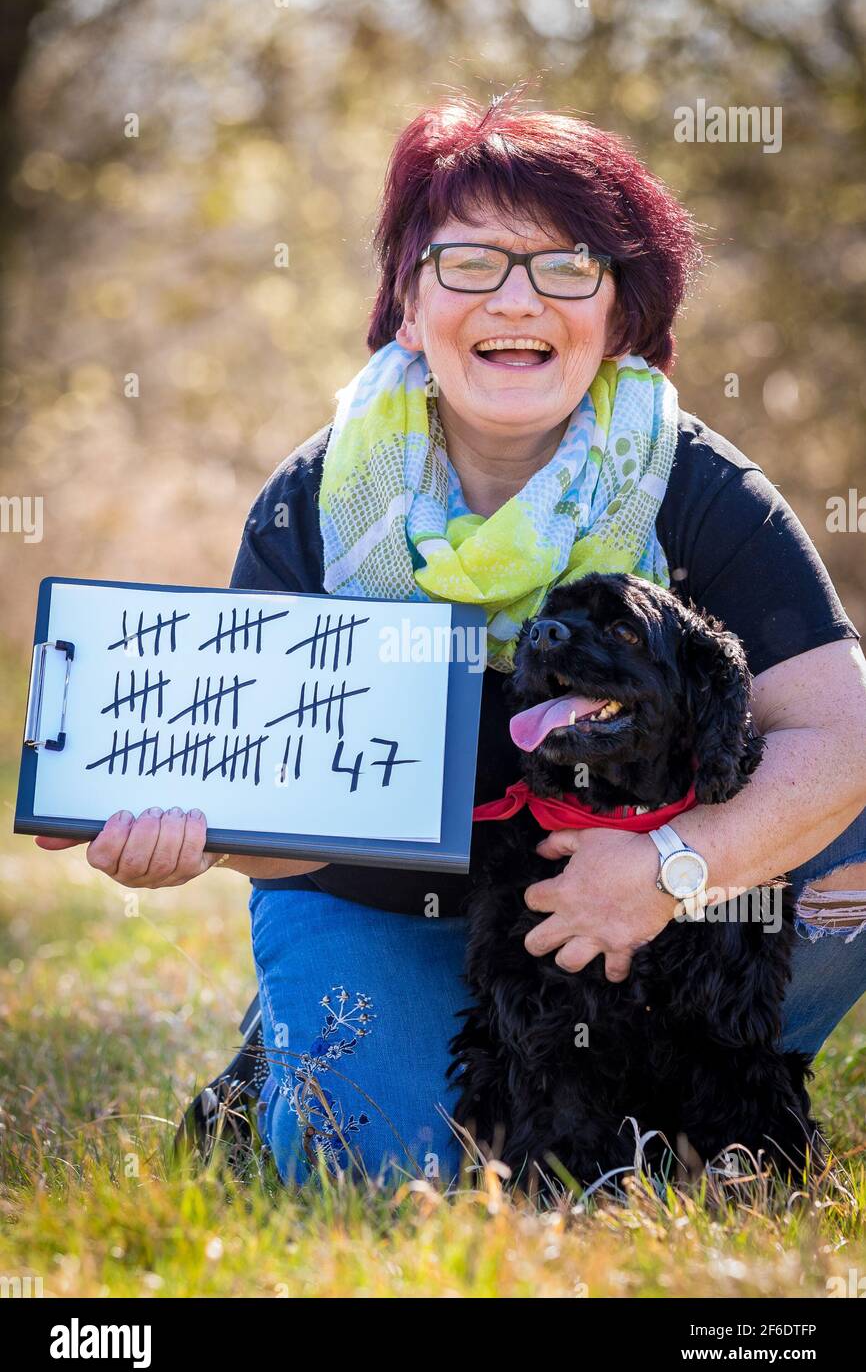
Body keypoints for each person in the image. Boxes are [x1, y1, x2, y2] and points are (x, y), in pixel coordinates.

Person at [37, 88, 866, 1187]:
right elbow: (286, 827)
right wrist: (199, 834)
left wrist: (675, 866)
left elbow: (842, 732)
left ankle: (689, 1113)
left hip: (661, 903)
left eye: (566, 264)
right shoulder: (316, 501)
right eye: (469, 262)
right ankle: (289, 1053)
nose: (515, 297)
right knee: (403, 1181)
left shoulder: (696, 486)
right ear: (408, 302)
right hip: (395, 907)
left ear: (618, 311)